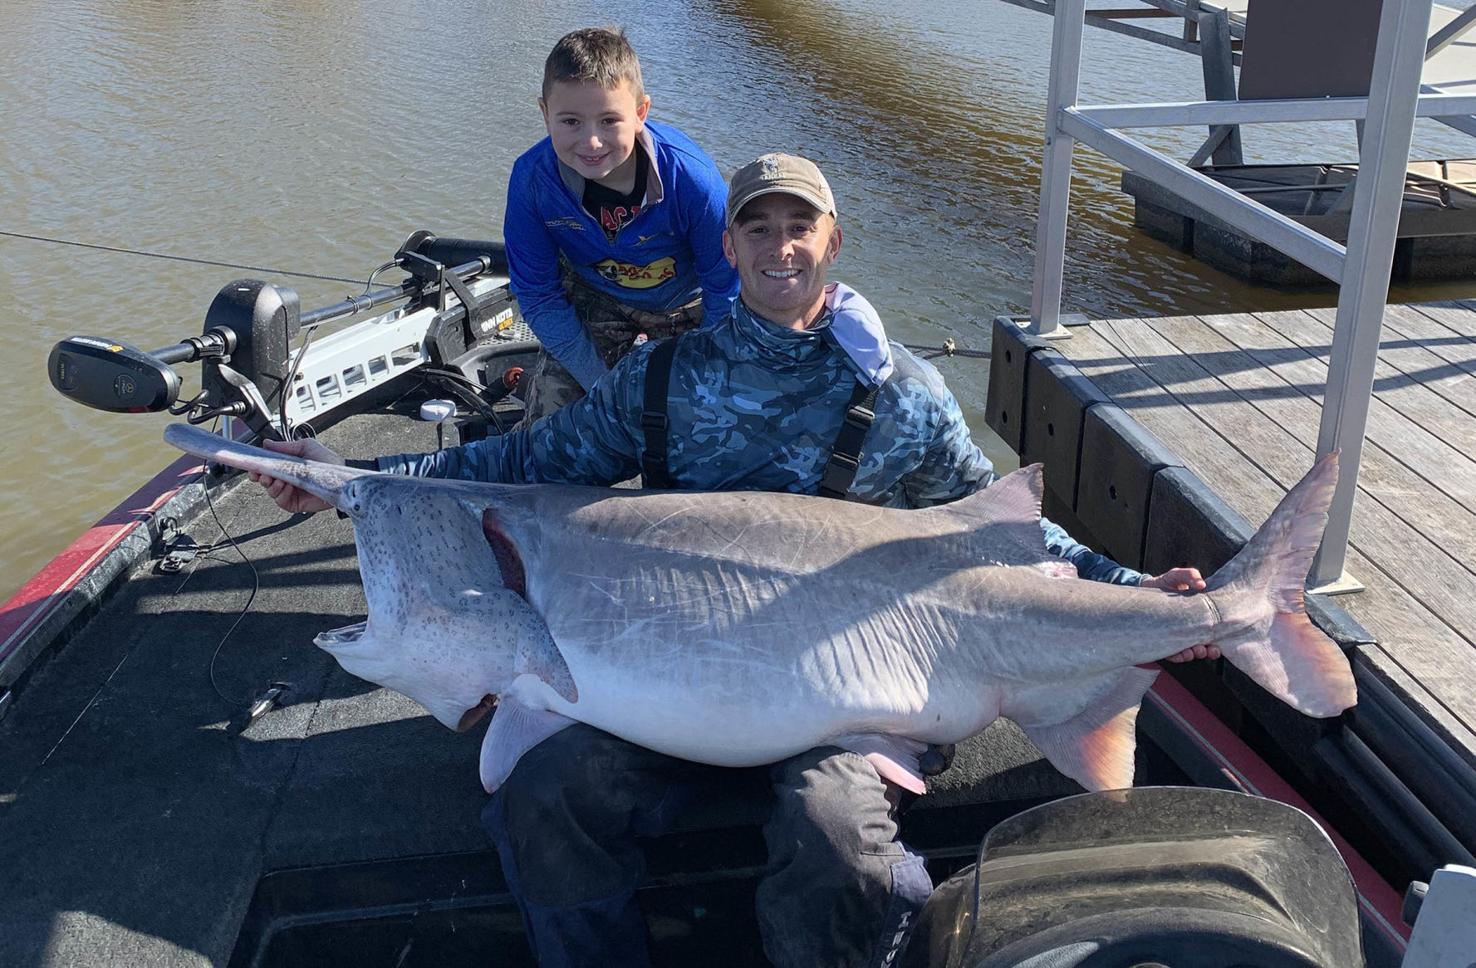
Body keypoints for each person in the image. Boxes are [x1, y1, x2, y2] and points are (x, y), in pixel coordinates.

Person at [252, 153, 1215, 967]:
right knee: (545, 798)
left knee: (840, 840)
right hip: (662, 665)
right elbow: (519, 464)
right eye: (759, 228)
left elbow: (1002, 531)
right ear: (730, 245)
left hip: (859, 687)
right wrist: (356, 478)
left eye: (801, 226)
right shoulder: (666, 373)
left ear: (832, 241)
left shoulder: (904, 393)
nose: (780, 245)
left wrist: (1139, 592)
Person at [504, 26, 738, 425]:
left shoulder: (692, 179)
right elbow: (538, 295)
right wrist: (601, 386)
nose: (591, 142)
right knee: (550, 431)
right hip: (596, 298)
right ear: (545, 113)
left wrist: (700, 370)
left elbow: (726, 286)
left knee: (699, 423)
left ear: (641, 113)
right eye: (571, 121)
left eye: (610, 120)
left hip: (688, 306)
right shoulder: (532, 181)